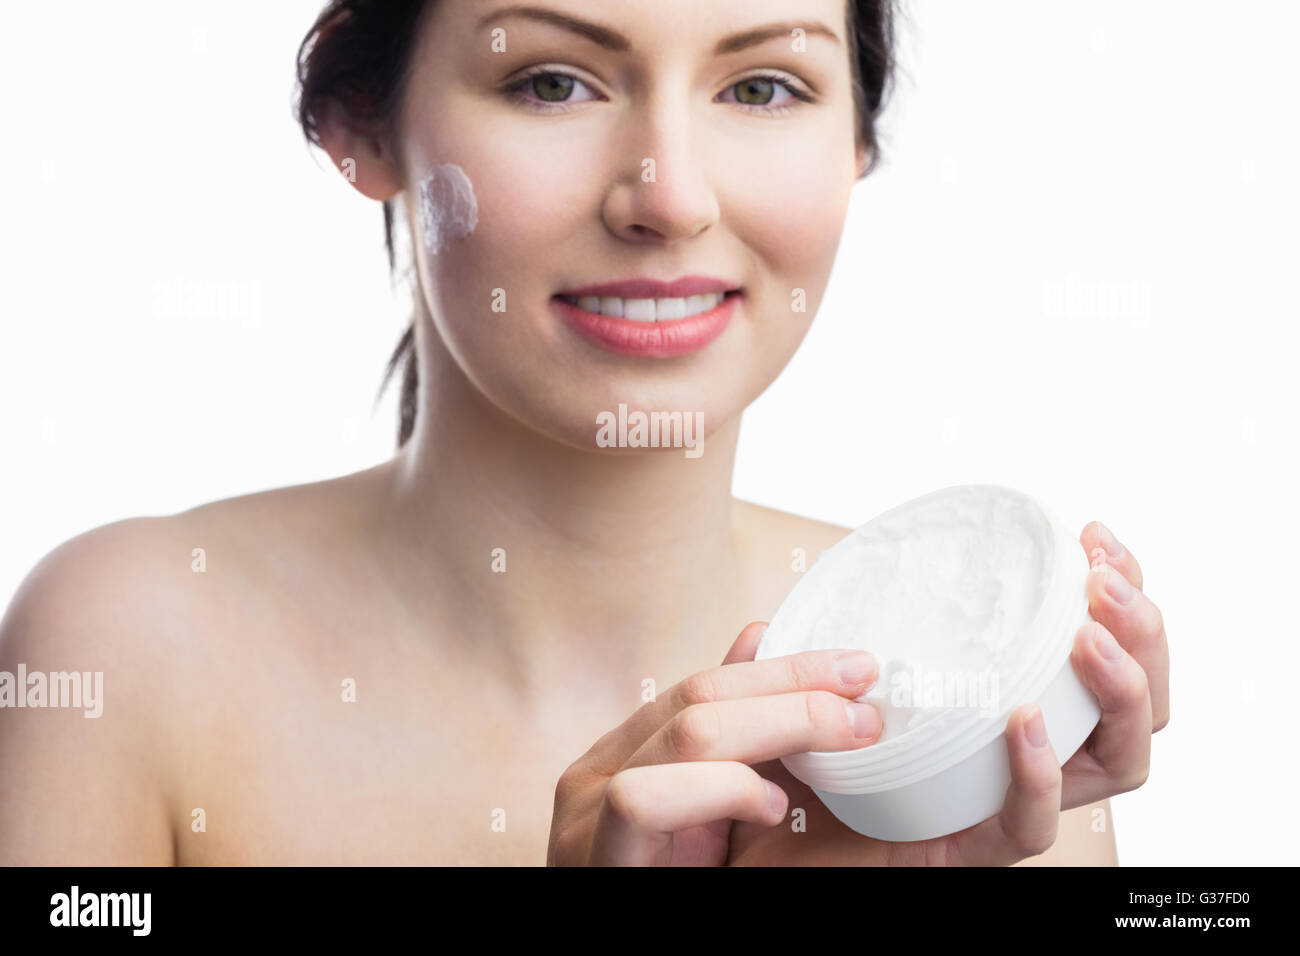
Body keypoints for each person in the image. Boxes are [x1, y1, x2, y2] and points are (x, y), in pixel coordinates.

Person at [0, 0, 1168, 865]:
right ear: (360, 123)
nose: (668, 196)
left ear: (856, 141)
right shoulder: (127, 652)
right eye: (552, 81)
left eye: (761, 87)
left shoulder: (973, 743)